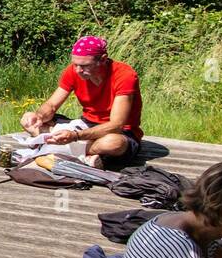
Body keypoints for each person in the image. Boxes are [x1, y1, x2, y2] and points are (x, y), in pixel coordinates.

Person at [20, 35, 143, 166]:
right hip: (86, 125)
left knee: (113, 143)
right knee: (27, 119)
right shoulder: (73, 71)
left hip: (119, 132)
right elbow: (51, 105)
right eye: (75, 64)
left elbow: (116, 125)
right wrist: (39, 116)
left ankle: (59, 145)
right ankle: (84, 151)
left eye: (85, 65)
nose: (78, 70)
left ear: (103, 59)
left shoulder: (124, 75)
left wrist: (75, 136)